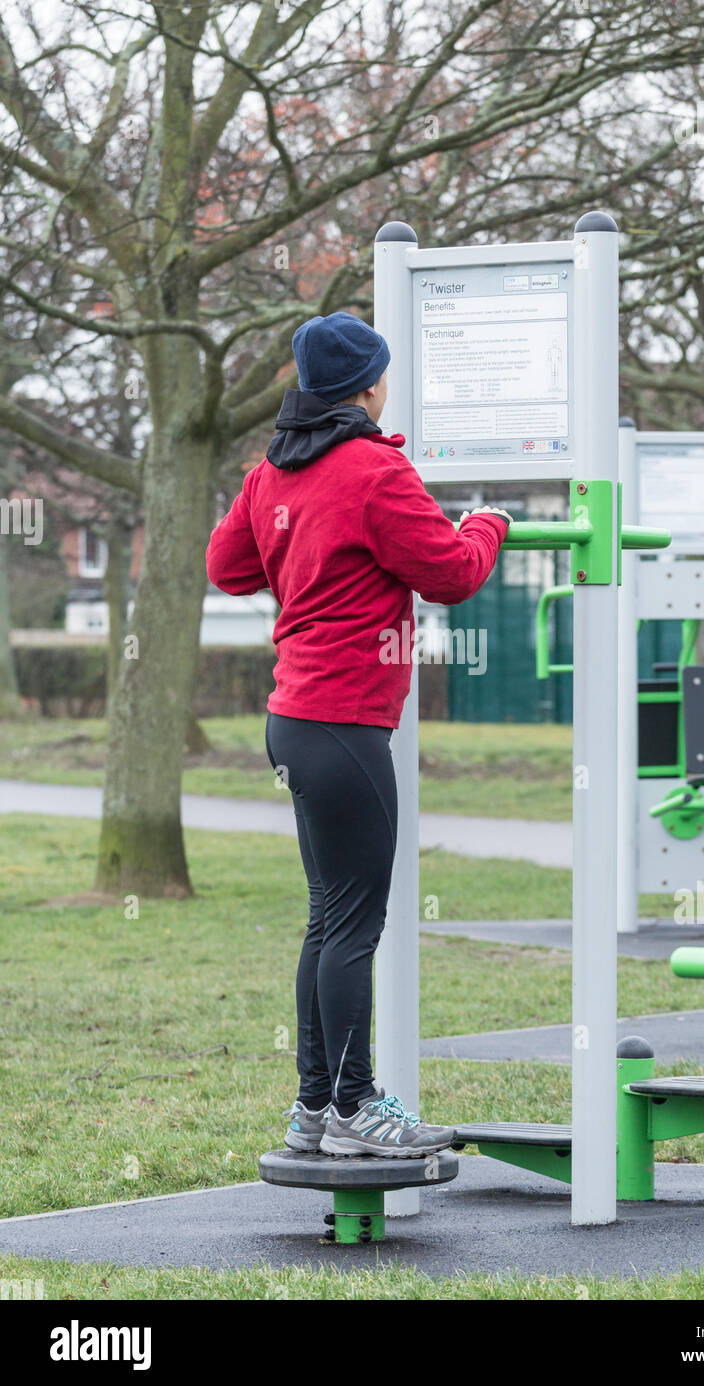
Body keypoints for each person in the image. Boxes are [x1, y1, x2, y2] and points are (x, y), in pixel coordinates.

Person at [206, 311, 511, 1157]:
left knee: (328, 920)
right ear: (369, 385)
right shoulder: (376, 469)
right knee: (353, 927)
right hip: (344, 724)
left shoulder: (273, 469)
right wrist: (489, 522)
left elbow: (226, 567)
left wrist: (295, 541)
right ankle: (352, 1108)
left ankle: (314, 1110)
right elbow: (450, 573)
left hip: (293, 720)